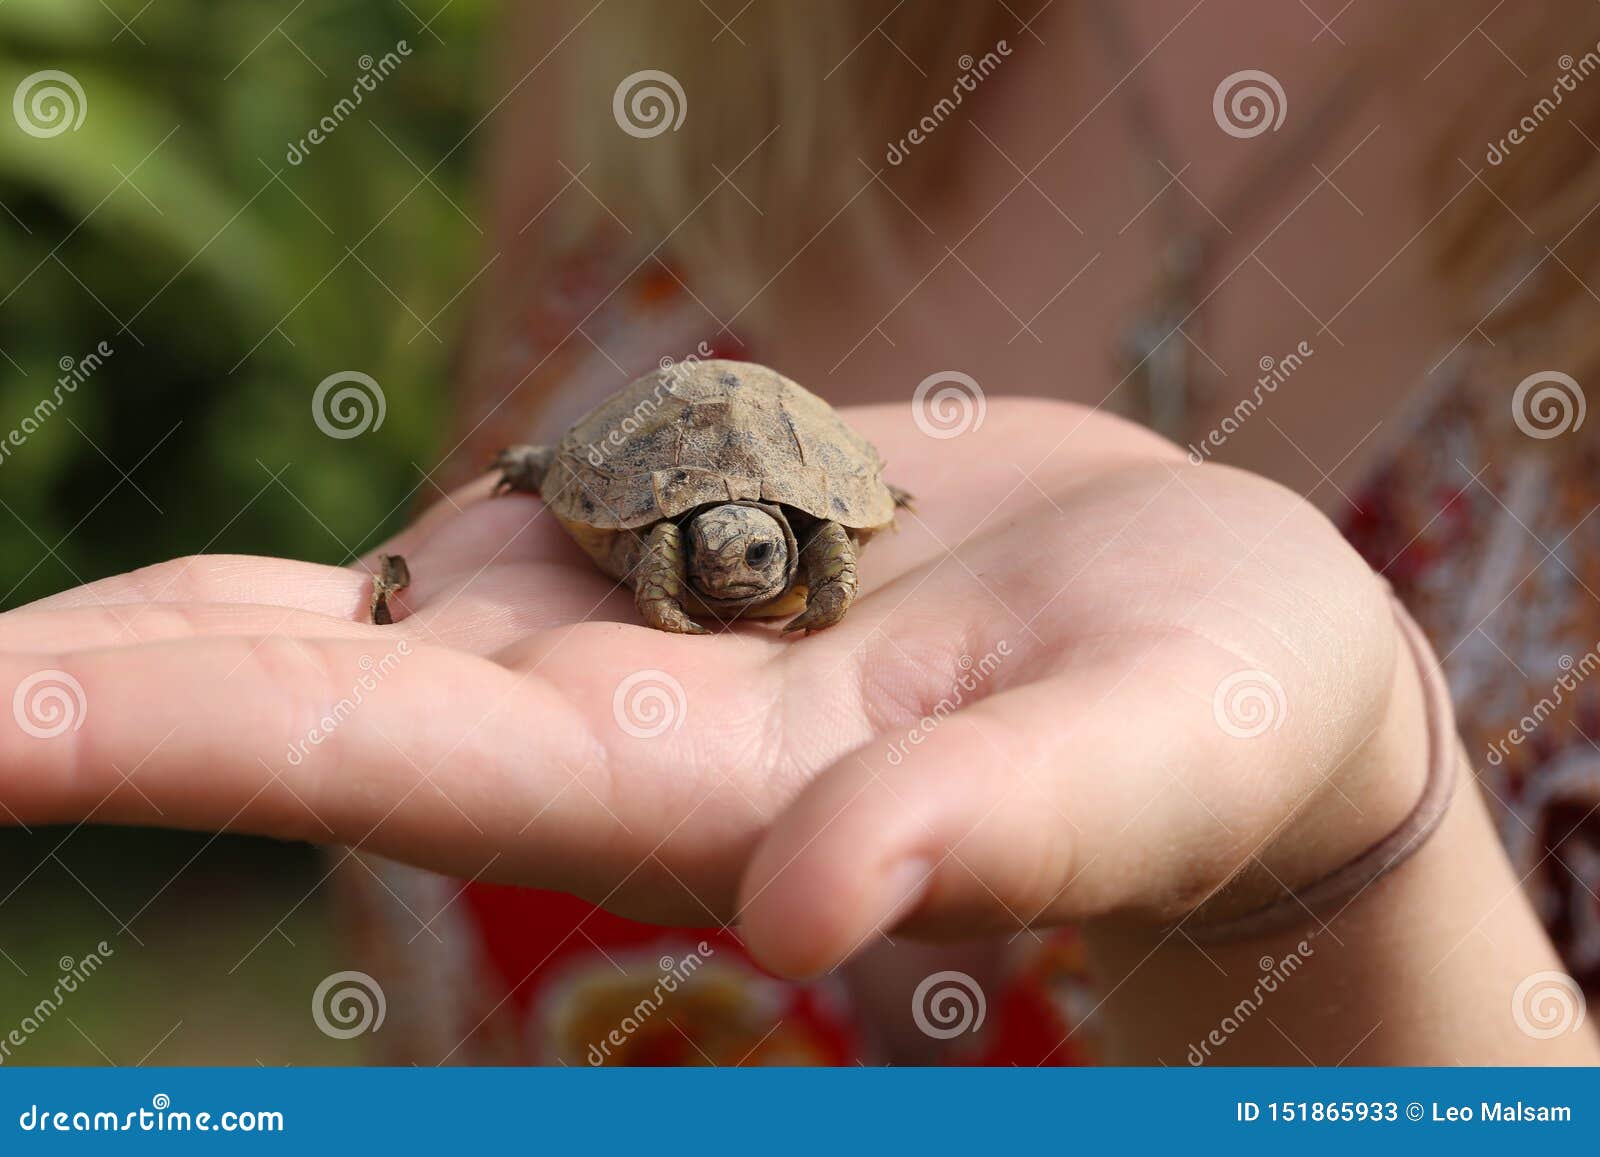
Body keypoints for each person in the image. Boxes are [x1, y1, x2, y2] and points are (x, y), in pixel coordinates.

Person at [5, 0, 1599, 1065]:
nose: (747, 568)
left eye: (769, 556)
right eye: (735, 556)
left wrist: (1331, 863)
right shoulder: (658, 37)